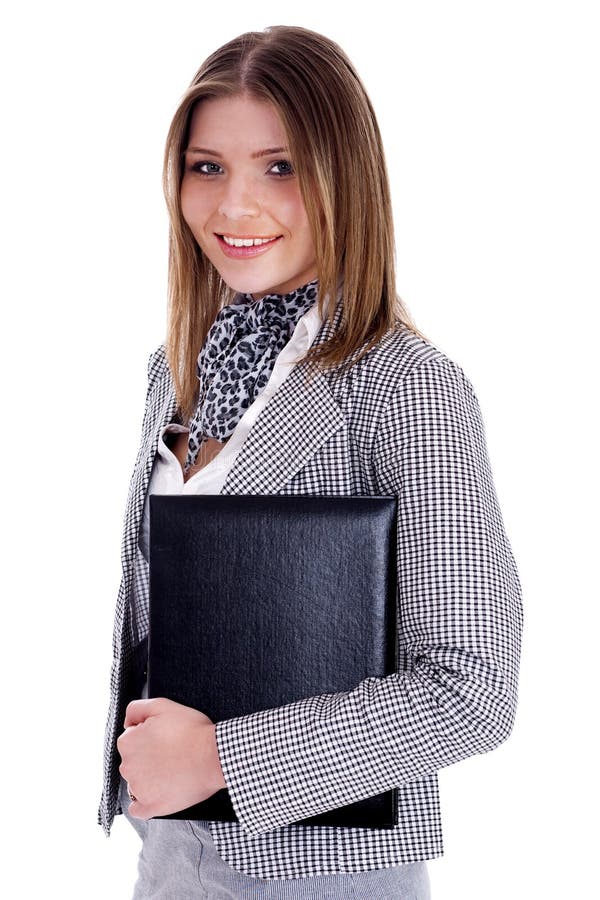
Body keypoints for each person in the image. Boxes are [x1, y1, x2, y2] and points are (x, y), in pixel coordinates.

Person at [99, 24, 523, 899]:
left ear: (345, 177)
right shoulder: (177, 370)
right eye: (206, 166)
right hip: (173, 858)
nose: (234, 208)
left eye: (280, 167)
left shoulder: (405, 386)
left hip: (321, 873)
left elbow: (474, 687)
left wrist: (225, 758)